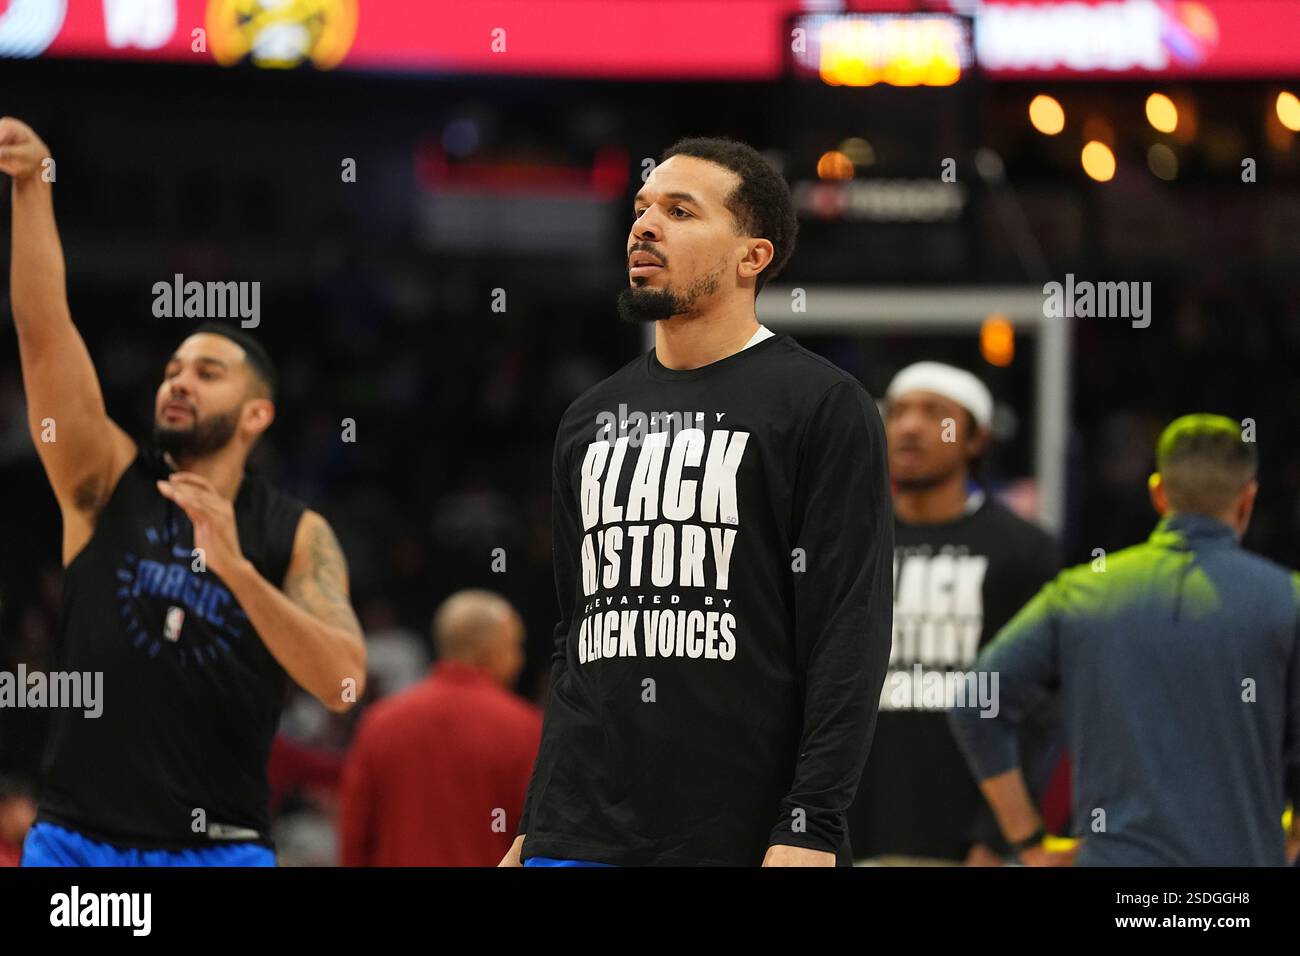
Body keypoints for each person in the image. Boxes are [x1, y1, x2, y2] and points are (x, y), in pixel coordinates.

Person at [499, 137, 893, 867]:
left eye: (680, 211)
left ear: (753, 256)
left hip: (736, 833)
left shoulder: (822, 404)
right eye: (643, 208)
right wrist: (535, 822)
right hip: (575, 830)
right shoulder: (589, 417)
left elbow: (850, 632)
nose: (644, 226)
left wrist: (812, 822)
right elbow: (576, 637)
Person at [1, 117, 366, 866]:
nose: (179, 380)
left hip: (220, 852)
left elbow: (344, 685)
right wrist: (34, 188)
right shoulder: (107, 480)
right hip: (78, 845)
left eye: (207, 372)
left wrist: (235, 569)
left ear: (257, 414)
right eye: (174, 368)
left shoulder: (295, 533)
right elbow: (44, 334)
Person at [950, 414, 1300, 866]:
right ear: (1247, 499)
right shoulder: (1286, 599)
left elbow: (976, 701)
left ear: (1158, 492)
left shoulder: (1083, 592)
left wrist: (1028, 841)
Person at [848, 362, 1065, 865]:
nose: (910, 426)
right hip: (852, 834)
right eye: (898, 412)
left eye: (935, 413)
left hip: (970, 843)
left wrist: (997, 837)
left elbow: (1041, 710)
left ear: (975, 439)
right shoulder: (846, 542)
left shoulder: (1024, 551)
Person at [338, 589, 541, 866]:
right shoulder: (525, 727)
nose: (519, 659)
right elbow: (537, 837)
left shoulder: (380, 722)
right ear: (492, 651)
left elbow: (354, 834)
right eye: (515, 646)